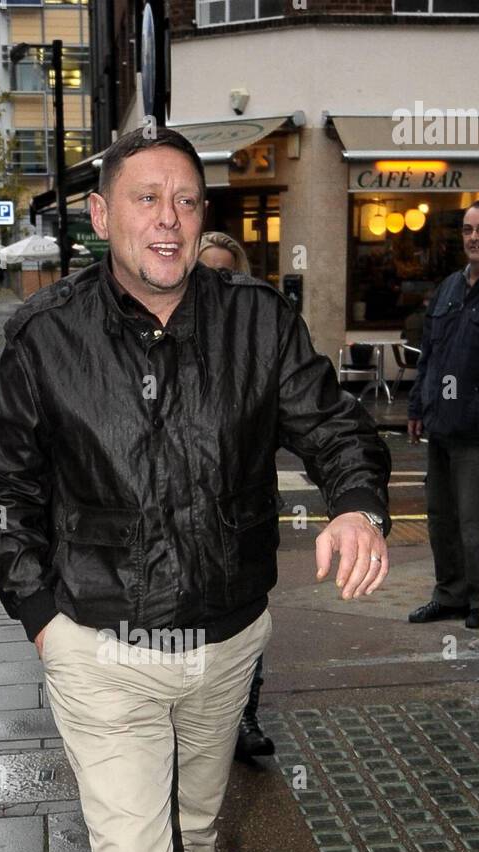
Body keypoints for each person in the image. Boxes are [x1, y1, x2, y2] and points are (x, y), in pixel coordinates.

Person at [0, 126, 391, 852]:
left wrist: (357, 507)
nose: (169, 218)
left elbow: (338, 429)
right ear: (104, 216)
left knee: (193, 835)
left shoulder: (257, 323)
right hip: (101, 647)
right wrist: (41, 615)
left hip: (222, 638)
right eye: (147, 199)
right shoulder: (45, 336)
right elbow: (7, 489)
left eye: (188, 201)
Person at [407, 199, 479, 630]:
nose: (474, 238)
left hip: (477, 433)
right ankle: (449, 594)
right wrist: (417, 405)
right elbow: (428, 353)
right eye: (468, 230)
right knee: (440, 520)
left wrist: (478, 409)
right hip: (440, 427)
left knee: (473, 524)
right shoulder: (448, 287)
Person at [198, 231, 274, 760]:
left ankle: (245, 716)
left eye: (228, 273)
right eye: (209, 272)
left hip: (244, 511)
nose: (219, 282)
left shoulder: (258, 335)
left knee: (247, 617)